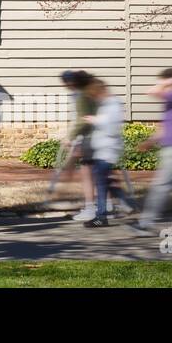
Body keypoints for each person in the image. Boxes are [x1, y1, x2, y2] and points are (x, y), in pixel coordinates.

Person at [131, 68, 172, 236]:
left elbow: (152, 91)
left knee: (160, 186)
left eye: (163, 81)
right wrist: (149, 141)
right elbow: (166, 129)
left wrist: (169, 81)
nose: (160, 85)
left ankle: (145, 224)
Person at [83, 79, 138, 227]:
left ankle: (103, 216)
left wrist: (95, 120)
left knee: (102, 183)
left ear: (99, 92)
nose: (94, 99)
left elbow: (112, 129)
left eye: (94, 95)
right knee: (107, 183)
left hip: (107, 150)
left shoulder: (112, 105)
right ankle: (127, 204)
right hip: (102, 150)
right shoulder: (107, 105)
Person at [47, 70, 96, 219]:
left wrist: (71, 138)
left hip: (88, 138)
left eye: (68, 81)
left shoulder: (82, 95)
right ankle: (104, 205)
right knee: (97, 173)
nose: (67, 84)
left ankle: (92, 208)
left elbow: (83, 120)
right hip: (89, 137)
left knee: (88, 173)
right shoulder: (84, 94)